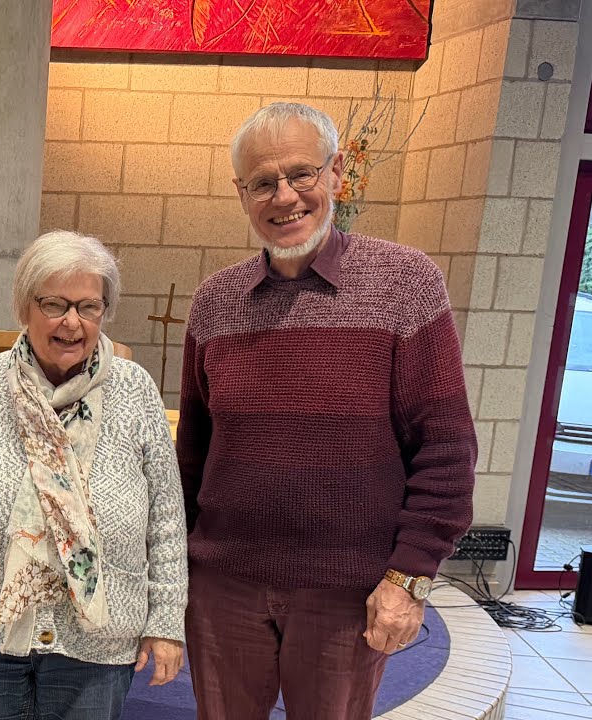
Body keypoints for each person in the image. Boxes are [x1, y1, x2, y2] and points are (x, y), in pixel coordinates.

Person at [176, 102, 477, 719]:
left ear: (337, 173)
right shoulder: (215, 303)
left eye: (301, 174)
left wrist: (409, 577)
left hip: (349, 590)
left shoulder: (405, 283)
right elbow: (192, 457)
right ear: (241, 194)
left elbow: (446, 448)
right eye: (263, 182)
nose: (284, 197)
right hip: (224, 587)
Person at [0, 231, 188, 720]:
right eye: (54, 304)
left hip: (98, 638)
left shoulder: (135, 390)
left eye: (89, 306)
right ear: (25, 307)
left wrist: (167, 621)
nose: (72, 322)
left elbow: (167, 516)